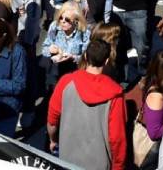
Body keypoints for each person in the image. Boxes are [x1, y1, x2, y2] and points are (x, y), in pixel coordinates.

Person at [47, 38, 127, 170]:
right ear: (106, 61)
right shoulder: (115, 93)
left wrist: (53, 140)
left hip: (67, 160)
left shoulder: (66, 82)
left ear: (85, 56)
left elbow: (52, 120)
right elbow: (117, 138)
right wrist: (118, 166)